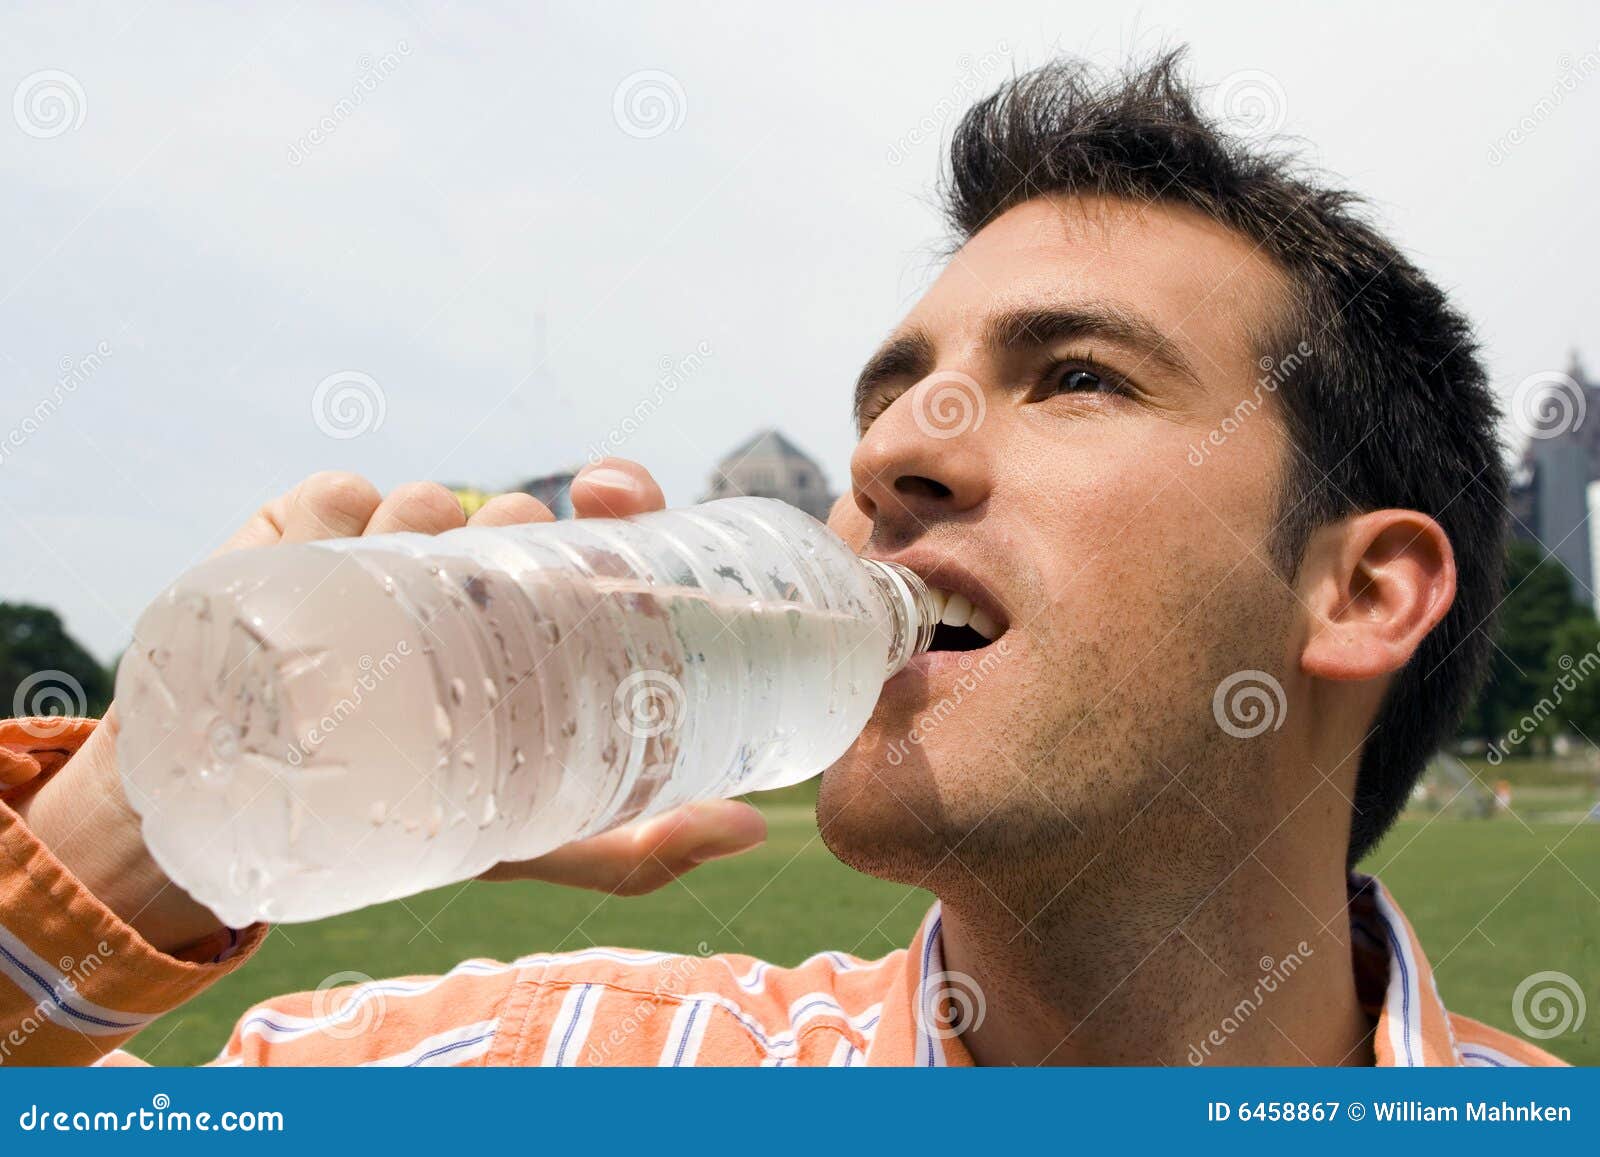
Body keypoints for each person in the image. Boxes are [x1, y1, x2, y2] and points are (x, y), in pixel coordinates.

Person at [0, 50, 1564, 1067]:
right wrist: (132, 830)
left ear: (1361, 591)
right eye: (884, 400)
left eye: (1078, 375)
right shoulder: (513, 1069)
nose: (886, 460)